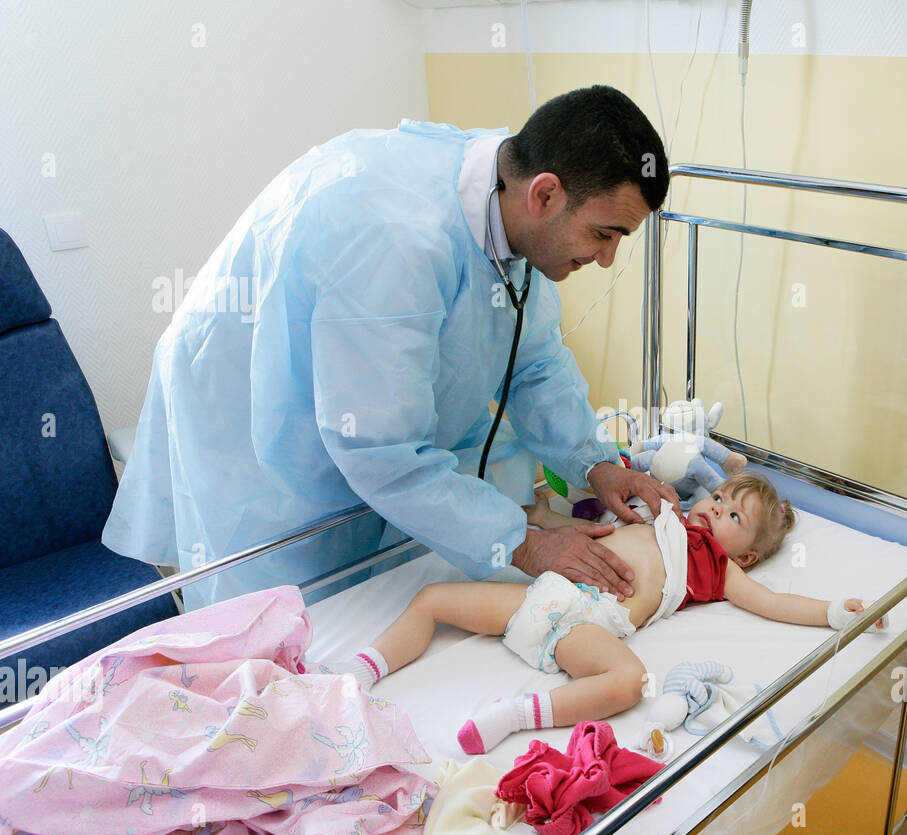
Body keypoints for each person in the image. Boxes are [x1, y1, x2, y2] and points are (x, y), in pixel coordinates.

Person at [103, 86, 680, 610]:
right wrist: (522, 545)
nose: (607, 259)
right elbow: (380, 450)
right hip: (252, 423)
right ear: (546, 195)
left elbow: (532, 363)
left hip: (356, 415)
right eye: (605, 235)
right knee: (288, 621)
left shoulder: (506, 201)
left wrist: (595, 462)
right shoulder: (394, 238)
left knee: (382, 573)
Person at [316, 473, 884, 754]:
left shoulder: (718, 568)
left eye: (735, 516)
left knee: (629, 680)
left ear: (749, 554)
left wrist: (836, 611)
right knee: (434, 599)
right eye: (718, 498)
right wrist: (539, 521)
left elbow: (776, 603)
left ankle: (518, 714)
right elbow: (583, 534)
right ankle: (360, 672)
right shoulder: (658, 520)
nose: (716, 509)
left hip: (591, 627)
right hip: (543, 597)